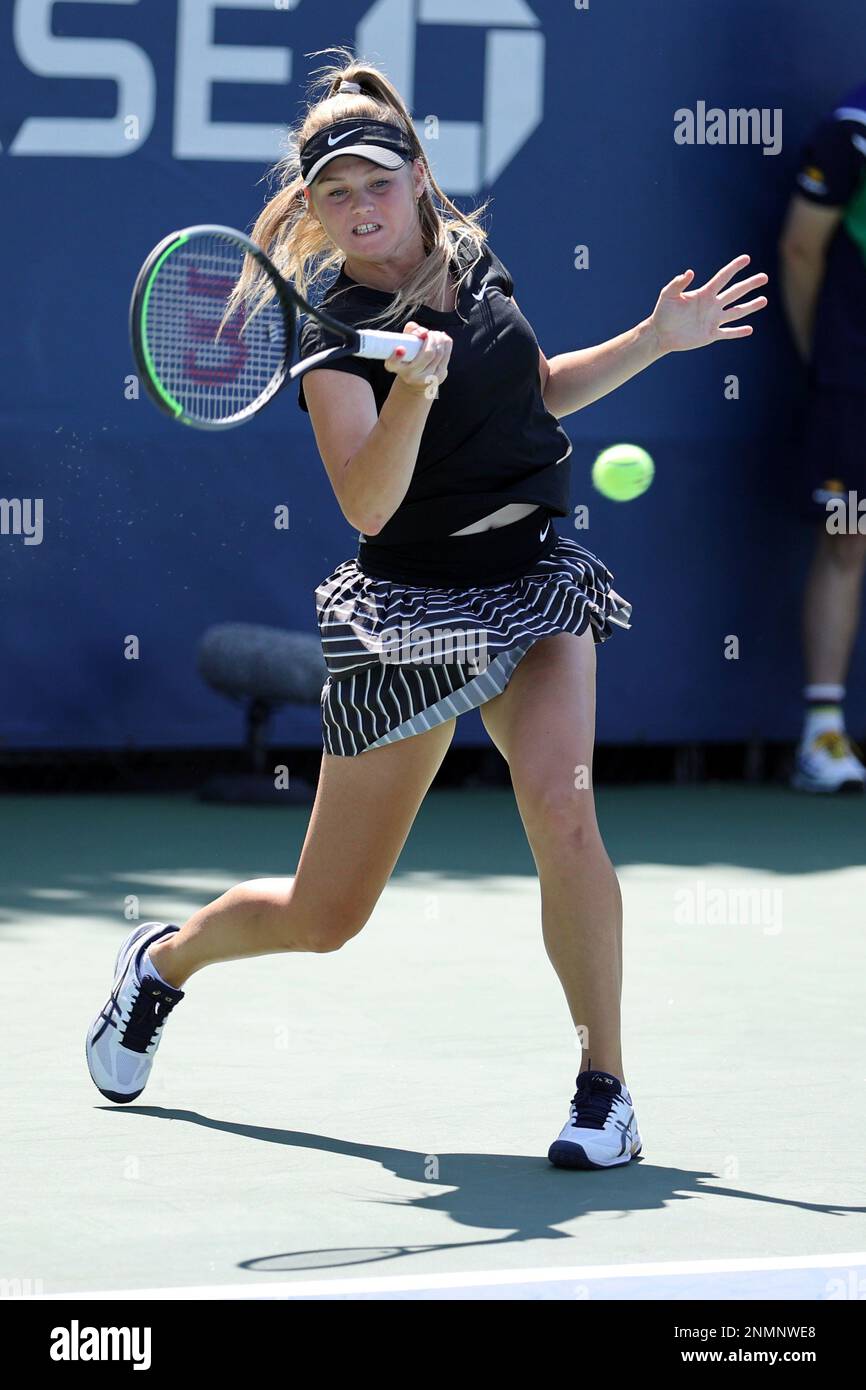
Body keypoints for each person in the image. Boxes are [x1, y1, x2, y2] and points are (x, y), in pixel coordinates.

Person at [87, 51, 767, 1169]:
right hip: (407, 608)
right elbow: (366, 496)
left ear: (417, 179)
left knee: (561, 808)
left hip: (536, 577)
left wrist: (652, 341)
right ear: (311, 209)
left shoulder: (472, 259)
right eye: (334, 194)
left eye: (377, 183)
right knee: (325, 916)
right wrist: (411, 385)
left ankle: (604, 1090)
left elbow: (535, 389)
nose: (359, 208)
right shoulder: (330, 340)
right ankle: (162, 963)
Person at [780, 79, 866, 792]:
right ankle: (824, 733)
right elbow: (802, 250)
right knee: (849, 537)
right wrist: (825, 358)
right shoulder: (852, 127)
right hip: (855, 377)